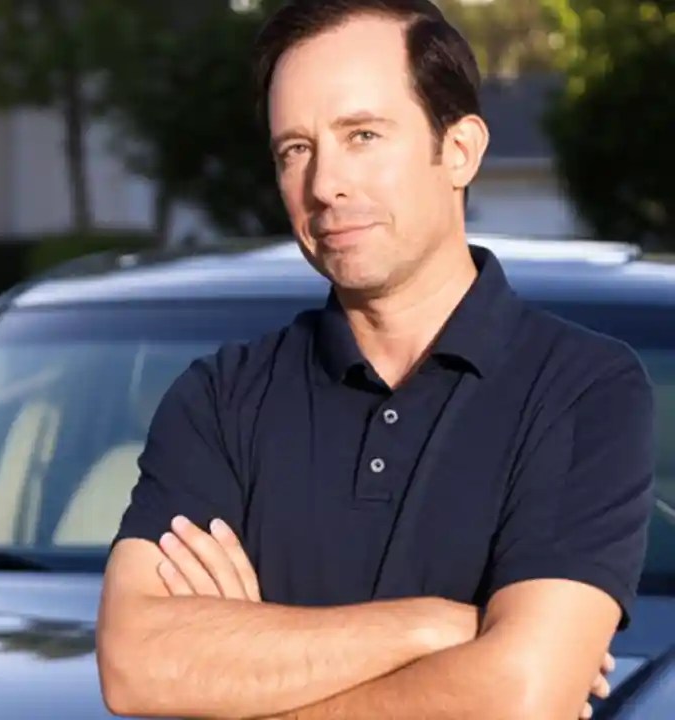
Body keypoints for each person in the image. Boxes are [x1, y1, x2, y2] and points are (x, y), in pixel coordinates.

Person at [95, 1, 656, 719]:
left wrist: (247, 683)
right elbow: (138, 666)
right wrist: (442, 626)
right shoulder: (221, 399)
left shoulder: (583, 389)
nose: (325, 184)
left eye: (361, 135)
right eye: (294, 149)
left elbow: (522, 698)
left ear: (459, 150)